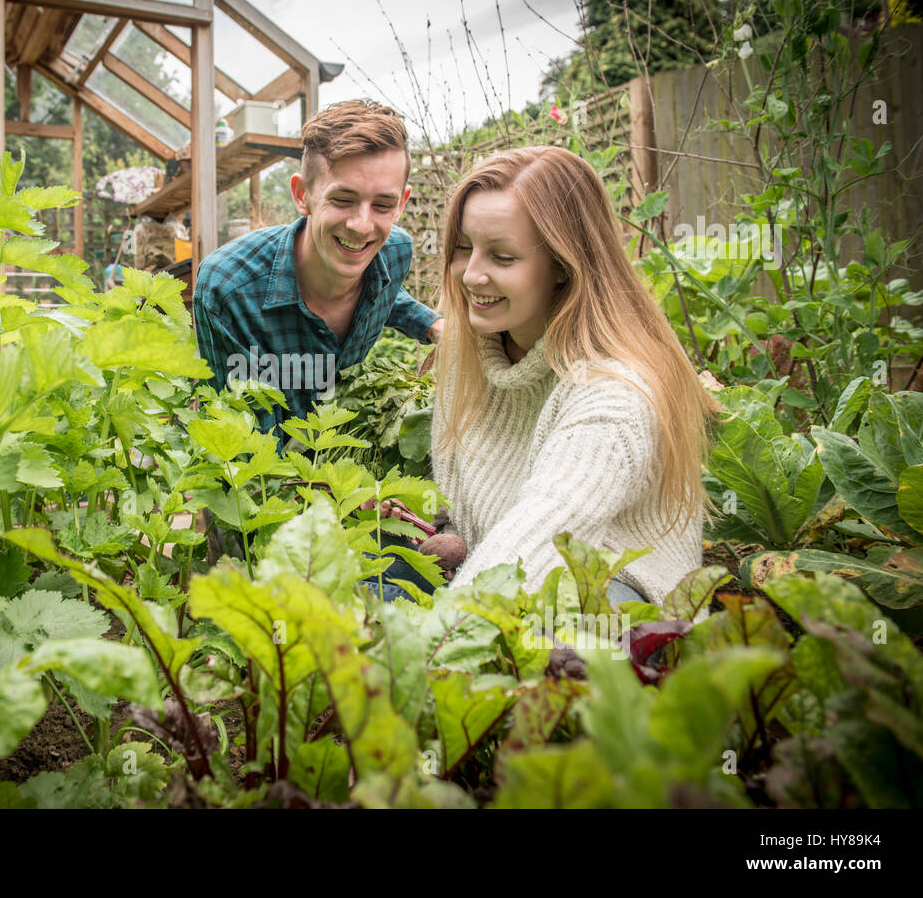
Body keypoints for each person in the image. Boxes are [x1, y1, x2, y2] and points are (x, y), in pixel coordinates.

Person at [419, 146, 721, 608]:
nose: (472, 274)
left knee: (571, 633)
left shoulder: (614, 393)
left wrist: (430, 650)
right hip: (498, 574)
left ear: (564, 265)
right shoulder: (470, 355)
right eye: (464, 248)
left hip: (611, 594)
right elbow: (467, 508)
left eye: (502, 257)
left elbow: (543, 534)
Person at [193, 99, 444, 437]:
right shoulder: (228, 288)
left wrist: (431, 324)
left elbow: (386, 290)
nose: (361, 225)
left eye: (383, 204)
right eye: (342, 199)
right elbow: (242, 444)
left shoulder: (393, 253)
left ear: (401, 203)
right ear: (302, 194)